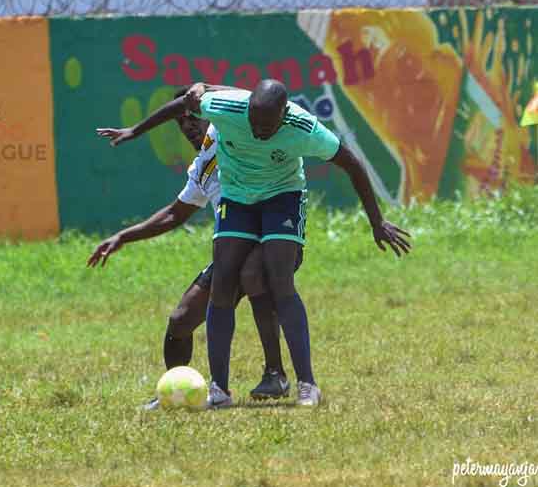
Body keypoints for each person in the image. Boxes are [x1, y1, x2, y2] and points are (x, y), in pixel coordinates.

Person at [98, 80, 411, 407]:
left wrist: (377, 221)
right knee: (218, 286)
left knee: (273, 277)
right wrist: (136, 130)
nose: (260, 131)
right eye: (254, 123)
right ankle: (219, 390)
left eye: (268, 126)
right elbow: (185, 107)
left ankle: (305, 383)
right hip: (238, 200)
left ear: (283, 116)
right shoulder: (222, 123)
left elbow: (352, 163)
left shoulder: (304, 127)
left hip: (281, 197)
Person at [88, 87, 298, 408]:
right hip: (230, 249)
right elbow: (175, 213)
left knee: (255, 275)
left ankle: (275, 374)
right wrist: (122, 237)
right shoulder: (201, 167)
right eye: (180, 122)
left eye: (192, 118)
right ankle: (176, 392)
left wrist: (204, 88)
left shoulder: (231, 130)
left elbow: (249, 97)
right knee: (180, 320)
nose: (187, 126)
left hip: (268, 238)